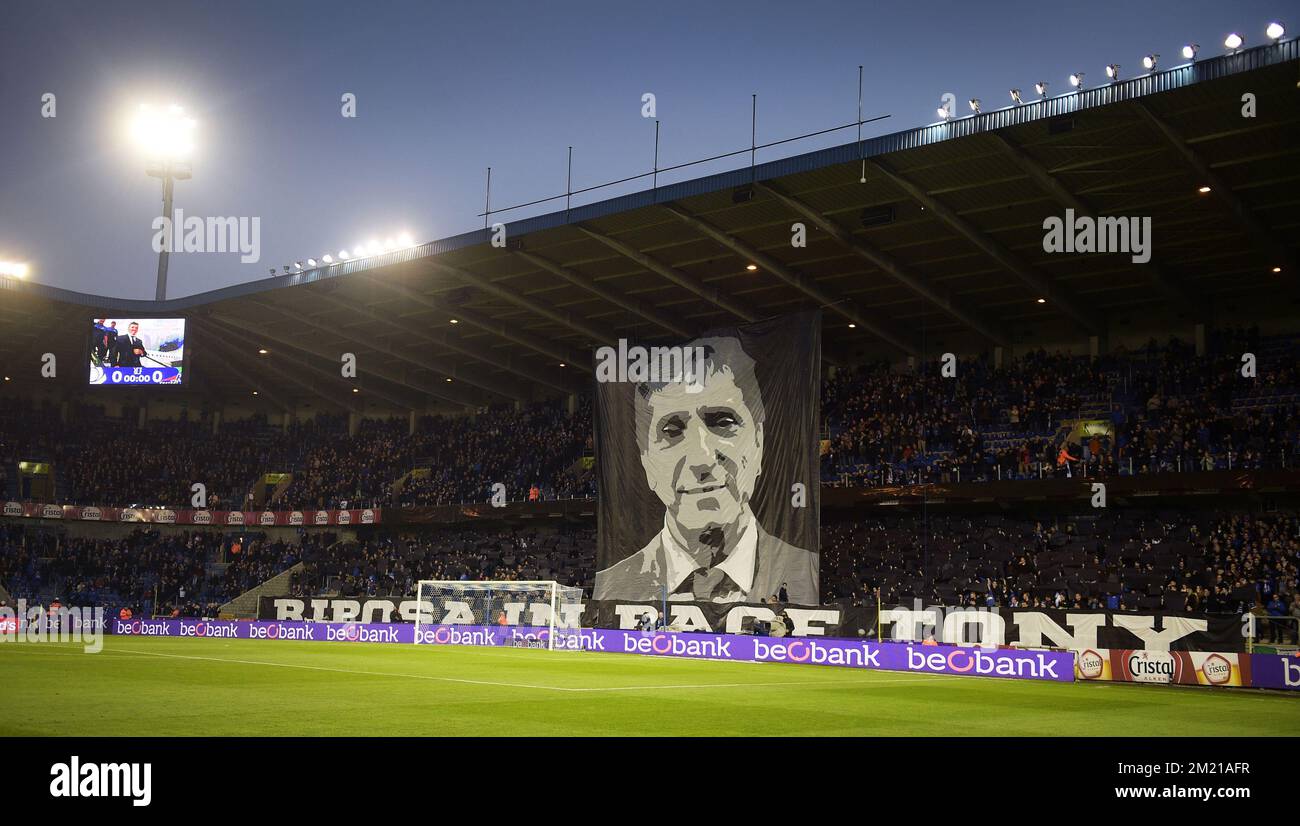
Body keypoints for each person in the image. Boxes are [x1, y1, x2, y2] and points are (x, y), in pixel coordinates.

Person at [593, 335, 818, 604]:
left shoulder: (802, 573)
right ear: (645, 459)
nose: (701, 457)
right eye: (672, 430)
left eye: (722, 421)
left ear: (758, 441)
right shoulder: (614, 586)